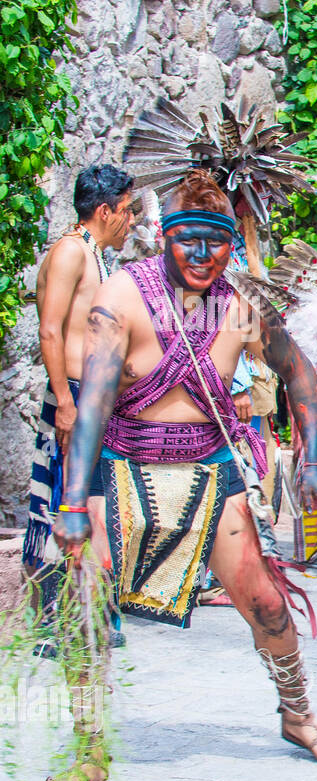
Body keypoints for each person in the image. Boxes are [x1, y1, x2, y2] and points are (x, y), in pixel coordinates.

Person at [48, 169, 317, 781]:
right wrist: (74, 501)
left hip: (211, 473)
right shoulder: (122, 296)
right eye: (187, 239)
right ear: (163, 236)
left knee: (267, 603)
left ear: (230, 244)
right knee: (86, 603)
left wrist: (312, 463)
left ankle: (298, 715)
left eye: (215, 241)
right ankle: (88, 746)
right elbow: (93, 406)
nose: (201, 254)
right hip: (123, 469)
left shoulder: (240, 306)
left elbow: (299, 374)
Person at [24, 165, 135, 631]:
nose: (132, 220)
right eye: (126, 210)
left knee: (91, 503)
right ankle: (52, 621)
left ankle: (87, 615)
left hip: (89, 398)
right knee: (61, 503)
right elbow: (50, 329)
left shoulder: (93, 254)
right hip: (70, 396)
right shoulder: (71, 251)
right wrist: (66, 404)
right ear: (104, 211)